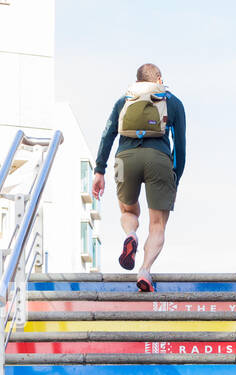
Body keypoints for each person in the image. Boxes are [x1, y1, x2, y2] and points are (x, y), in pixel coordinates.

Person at [91, 62, 187, 293]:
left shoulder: (124, 100)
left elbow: (107, 134)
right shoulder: (171, 102)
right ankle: (144, 270)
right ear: (159, 80)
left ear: (137, 81)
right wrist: (175, 179)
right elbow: (180, 146)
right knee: (157, 224)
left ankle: (131, 235)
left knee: (128, 211)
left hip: (125, 160)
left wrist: (99, 170)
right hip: (158, 160)